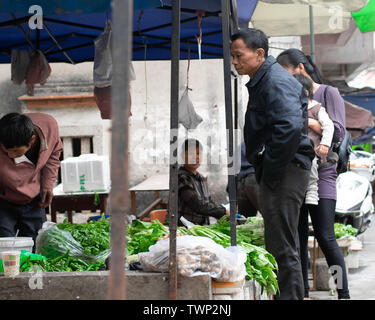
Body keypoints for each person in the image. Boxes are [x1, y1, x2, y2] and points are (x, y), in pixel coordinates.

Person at [230, 29, 315, 300]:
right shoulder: (264, 79)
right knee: (281, 243)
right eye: (232, 56)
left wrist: (271, 167)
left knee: (282, 245)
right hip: (281, 169)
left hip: (285, 170)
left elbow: (288, 127)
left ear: (259, 54)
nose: (234, 61)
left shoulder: (274, 81)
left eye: (238, 55)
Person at [277, 48, 350, 300]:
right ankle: (301, 292)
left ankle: (344, 292)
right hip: (295, 174)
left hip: (324, 173)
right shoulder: (288, 95)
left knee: (325, 236)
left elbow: (338, 132)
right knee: (296, 237)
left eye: (284, 71)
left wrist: (310, 122)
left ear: (299, 68)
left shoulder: (328, 93)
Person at [0, 112, 63, 249]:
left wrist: (48, 184)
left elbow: (54, 152)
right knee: (4, 245)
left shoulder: (49, 126)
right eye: (6, 151)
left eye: (16, 151)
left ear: (32, 141)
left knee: (37, 243)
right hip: (4, 200)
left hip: (34, 198)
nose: (11, 156)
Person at [294, 73, 336, 206]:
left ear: (305, 92)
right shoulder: (293, 108)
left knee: (311, 164)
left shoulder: (317, 109)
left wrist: (325, 144)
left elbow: (329, 126)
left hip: (312, 148)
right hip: (294, 148)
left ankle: (312, 190)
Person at [177, 138, 228, 226]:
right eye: (190, 153)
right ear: (182, 155)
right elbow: (198, 205)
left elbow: (209, 202)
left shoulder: (202, 179)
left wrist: (222, 215)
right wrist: (223, 211)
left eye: (198, 153)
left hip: (202, 227)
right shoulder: (181, 178)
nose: (195, 157)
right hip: (184, 229)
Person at [236, 141, 260, 217]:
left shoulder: (242, 145)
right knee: (273, 217)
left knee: (245, 221)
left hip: (240, 183)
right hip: (255, 179)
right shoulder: (264, 139)